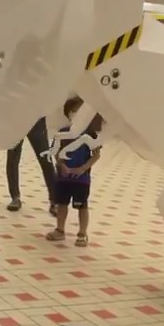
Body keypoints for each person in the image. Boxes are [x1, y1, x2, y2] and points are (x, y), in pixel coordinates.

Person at [47, 96, 103, 248]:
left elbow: (96, 155)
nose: (76, 114)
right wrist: (61, 165)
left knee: (82, 205)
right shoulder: (62, 133)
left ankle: (82, 233)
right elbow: (56, 153)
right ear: (69, 113)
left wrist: (83, 168)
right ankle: (60, 230)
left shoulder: (91, 134)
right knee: (62, 204)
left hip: (81, 179)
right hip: (63, 178)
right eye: (74, 111)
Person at [6, 118, 58, 214]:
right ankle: (15, 197)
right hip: (16, 121)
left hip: (36, 120)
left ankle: (55, 200)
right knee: (12, 160)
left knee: (45, 159)